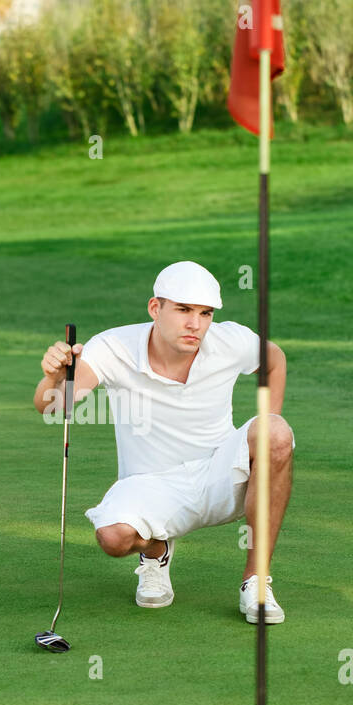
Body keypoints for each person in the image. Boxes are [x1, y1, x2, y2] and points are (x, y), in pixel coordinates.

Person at [33, 260, 294, 623]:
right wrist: (54, 377)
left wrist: (269, 425)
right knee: (113, 538)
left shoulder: (229, 341)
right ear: (156, 308)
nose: (195, 324)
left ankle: (256, 581)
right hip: (151, 487)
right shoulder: (113, 347)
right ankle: (156, 552)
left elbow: (275, 360)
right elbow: (53, 405)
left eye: (205, 313)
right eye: (183, 310)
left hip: (224, 476)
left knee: (276, 431)